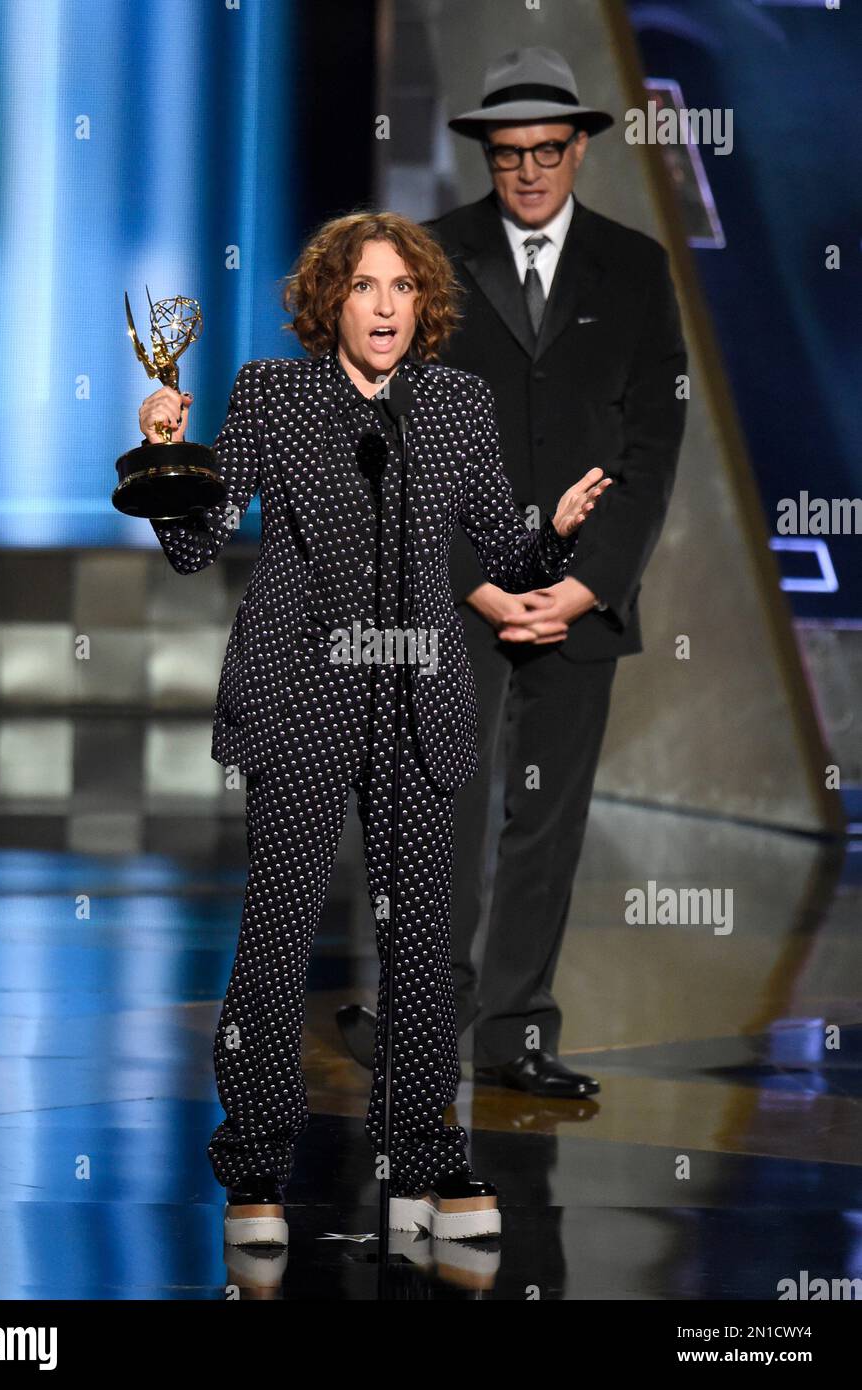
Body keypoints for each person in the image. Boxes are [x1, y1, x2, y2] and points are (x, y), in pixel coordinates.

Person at [139, 211, 610, 1246]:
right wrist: (168, 458)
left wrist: (554, 534)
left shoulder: (453, 404)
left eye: (401, 287)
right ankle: (254, 1167)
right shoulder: (273, 391)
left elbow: (499, 546)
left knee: (421, 946)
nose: (386, 306)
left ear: (422, 304)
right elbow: (198, 544)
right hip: (299, 694)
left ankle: (424, 1156)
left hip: (417, 700)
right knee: (274, 941)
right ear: (330, 303)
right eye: (363, 287)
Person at [338, 47, 687, 1099]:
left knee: (547, 816)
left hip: (580, 589)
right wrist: (472, 580)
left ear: (577, 147)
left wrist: (588, 582)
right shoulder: (427, 260)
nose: (527, 171)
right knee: (437, 798)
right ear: (485, 154)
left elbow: (651, 444)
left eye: (545, 150)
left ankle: (514, 1034)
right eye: (507, 154)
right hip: (458, 590)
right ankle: (418, 1021)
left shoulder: (633, 268)